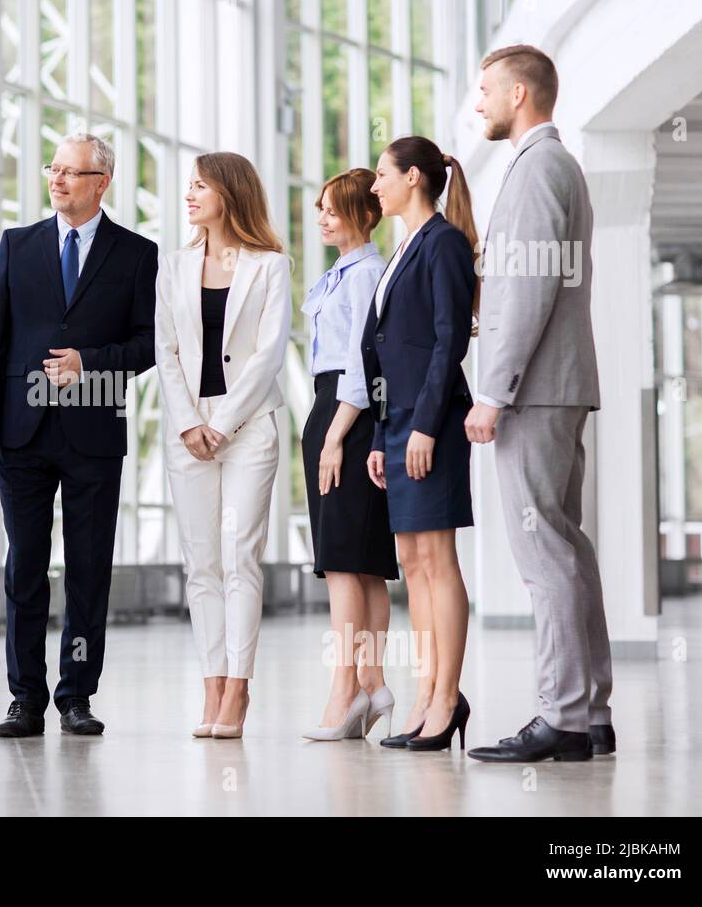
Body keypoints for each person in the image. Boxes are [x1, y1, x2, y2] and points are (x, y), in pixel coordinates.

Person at [0, 133, 157, 738]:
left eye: (72, 173)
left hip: (94, 432)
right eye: (54, 169)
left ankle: (76, 695)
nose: (58, 181)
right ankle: (25, 697)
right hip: (22, 433)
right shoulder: (16, 245)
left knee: (87, 569)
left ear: (102, 182)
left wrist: (90, 361)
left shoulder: (136, 255)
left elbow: (148, 345)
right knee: (24, 566)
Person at [465, 45, 613, 764]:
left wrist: (493, 389)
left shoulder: (536, 168)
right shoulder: (558, 166)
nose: (479, 103)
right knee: (568, 548)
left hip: (535, 390)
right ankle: (591, 709)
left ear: (520, 92)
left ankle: (564, 716)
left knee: (544, 555)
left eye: (487, 90)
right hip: (558, 384)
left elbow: (527, 292)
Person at [154, 152, 290, 739]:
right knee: (201, 562)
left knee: (239, 556)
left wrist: (224, 423)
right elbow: (167, 351)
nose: (189, 195)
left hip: (249, 426)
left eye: (200, 186)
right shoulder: (173, 265)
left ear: (229, 193)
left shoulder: (270, 265)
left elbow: (268, 354)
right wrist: (189, 422)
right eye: (189, 186)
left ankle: (239, 691)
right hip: (188, 429)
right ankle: (211, 686)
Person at [361, 135, 479, 753]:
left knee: (437, 560)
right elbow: (384, 350)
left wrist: (427, 426)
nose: (374, 186)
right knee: (411, 564)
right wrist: (383, 433)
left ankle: (445, 696)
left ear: (413, 178)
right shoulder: (404, 247)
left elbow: (447, 341)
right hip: (398, 421)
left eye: (382, 175)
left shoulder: (444, 245)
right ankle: (427, 690)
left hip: (431, 421)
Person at [298, 169, 398, 741]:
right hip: (329, 408)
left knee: (345, 561)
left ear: (364, 214)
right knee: (359, 561)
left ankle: (347, 690)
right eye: (320, 209)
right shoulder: (339, 273)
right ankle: (369, 685)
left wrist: (336, 435)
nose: (323, 218)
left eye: (334, 210)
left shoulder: (366, 275)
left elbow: (363, 364)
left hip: (347, 414)